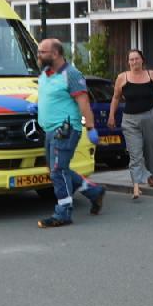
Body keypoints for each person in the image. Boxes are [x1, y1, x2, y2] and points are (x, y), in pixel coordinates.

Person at [35, 37, 105, 229]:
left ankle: (63, 212)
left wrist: (91, 128)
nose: (38, 55)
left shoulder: (72, 75)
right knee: (56, 170)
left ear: (55, 54)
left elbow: (84, 103)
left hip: (65, 130)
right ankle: (93, 191)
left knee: (58, 171)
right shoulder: (45, 73)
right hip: (49, 130)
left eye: (43, 52)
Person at [111, 48, 153, 200]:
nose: (134, 62)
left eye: (136, 58)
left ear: (142, 60)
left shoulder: (151, 75)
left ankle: (150, 178)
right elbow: (116, 98)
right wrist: (111, 116)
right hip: (130, 120)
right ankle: (136, 186)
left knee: (152, 148)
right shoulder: (122, 78)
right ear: (128, 62)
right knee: (135, 152)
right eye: (131, 59)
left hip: (150, 117)